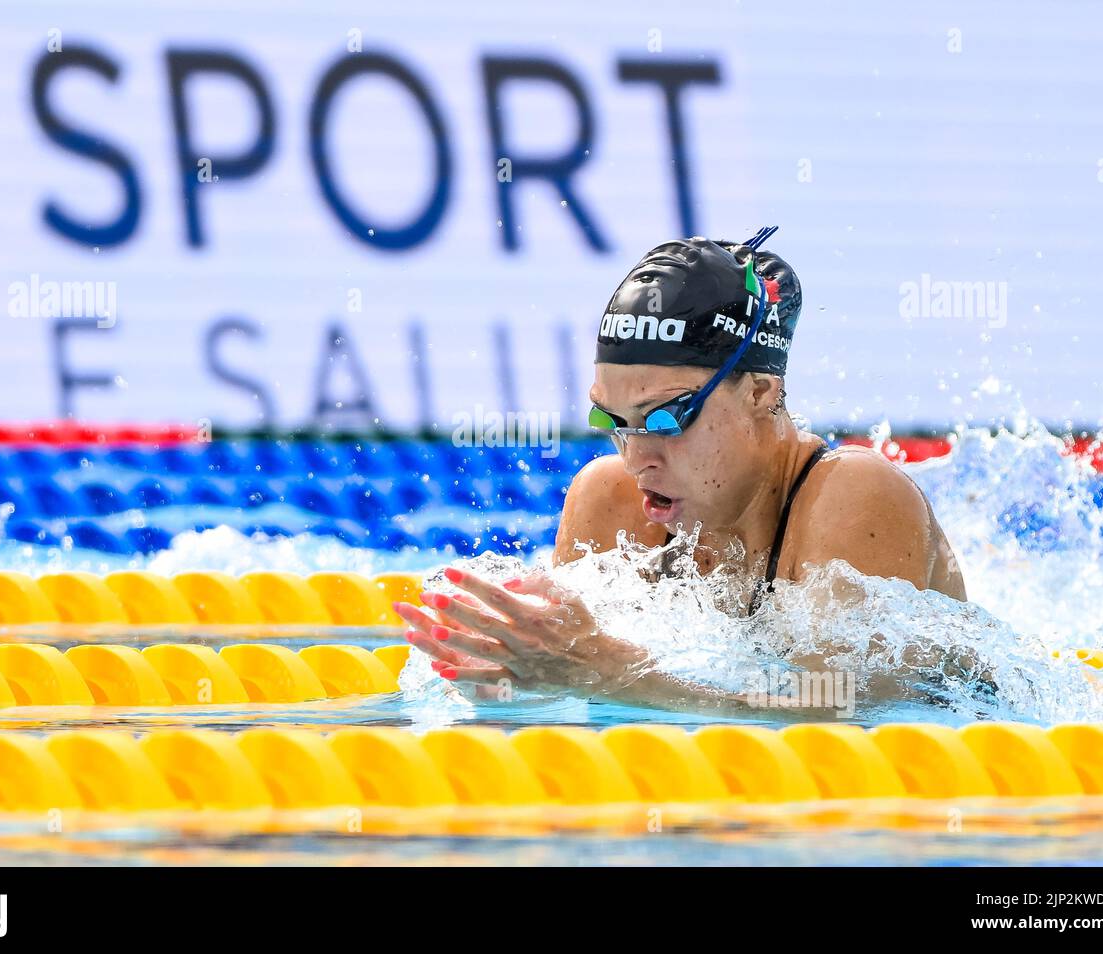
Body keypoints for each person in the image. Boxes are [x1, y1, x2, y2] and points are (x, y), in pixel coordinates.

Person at [394, 229, 966, 713]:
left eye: (668, 417)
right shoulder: (609, 501)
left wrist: (611, 670)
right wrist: (508, 683)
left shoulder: (852, 497)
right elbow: (573, 687)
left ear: (761, 393)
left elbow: (841, 706)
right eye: (614, 419)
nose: (637, 454)